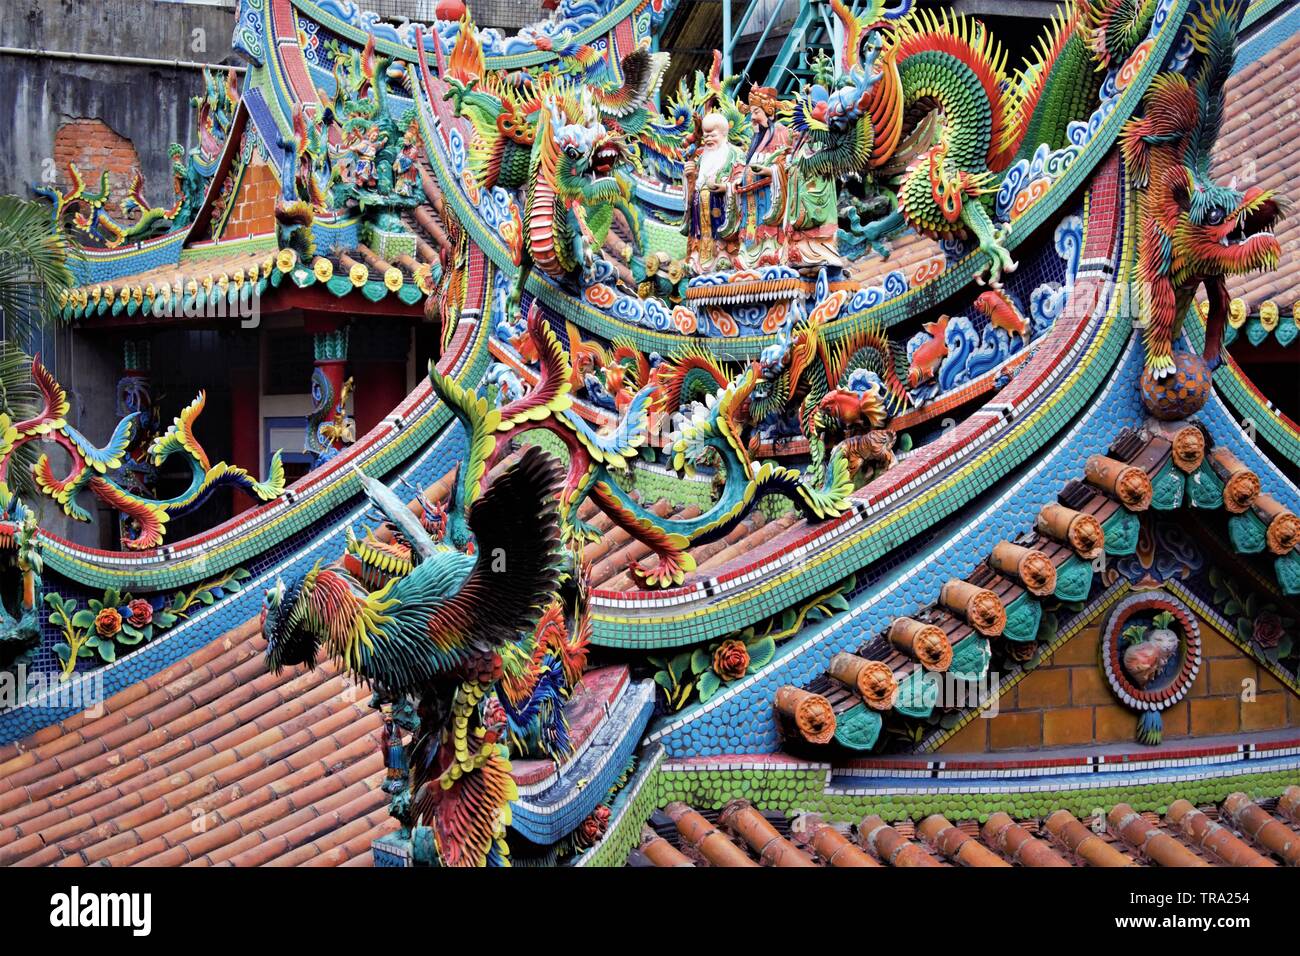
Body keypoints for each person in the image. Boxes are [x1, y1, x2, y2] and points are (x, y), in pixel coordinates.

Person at [732, 87, 792, 268]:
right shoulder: (757, 139)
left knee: (767, 227)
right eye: (751, 113)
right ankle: (749, 254)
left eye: (756, 112)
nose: (753, 117)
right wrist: (738, 179)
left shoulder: (781, 132)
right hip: (752, 198)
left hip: (769, 193)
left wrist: (770, 171)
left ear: (769, 110)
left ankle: (772, 248)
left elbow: (787, 163)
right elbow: (743, 164)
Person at [681, 111, 742, 273]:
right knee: (701, 233)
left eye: (712, 135)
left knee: (720, 232)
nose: (708, 139)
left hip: (722, 207)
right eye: (705, 136)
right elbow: (693, 185)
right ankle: (697, 259)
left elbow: (742, 180)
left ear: (723, 134)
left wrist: (727, 188)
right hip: (700, 209)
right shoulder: (701, 158)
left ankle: (724, 255)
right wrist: (690, 177)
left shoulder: (734, 154)